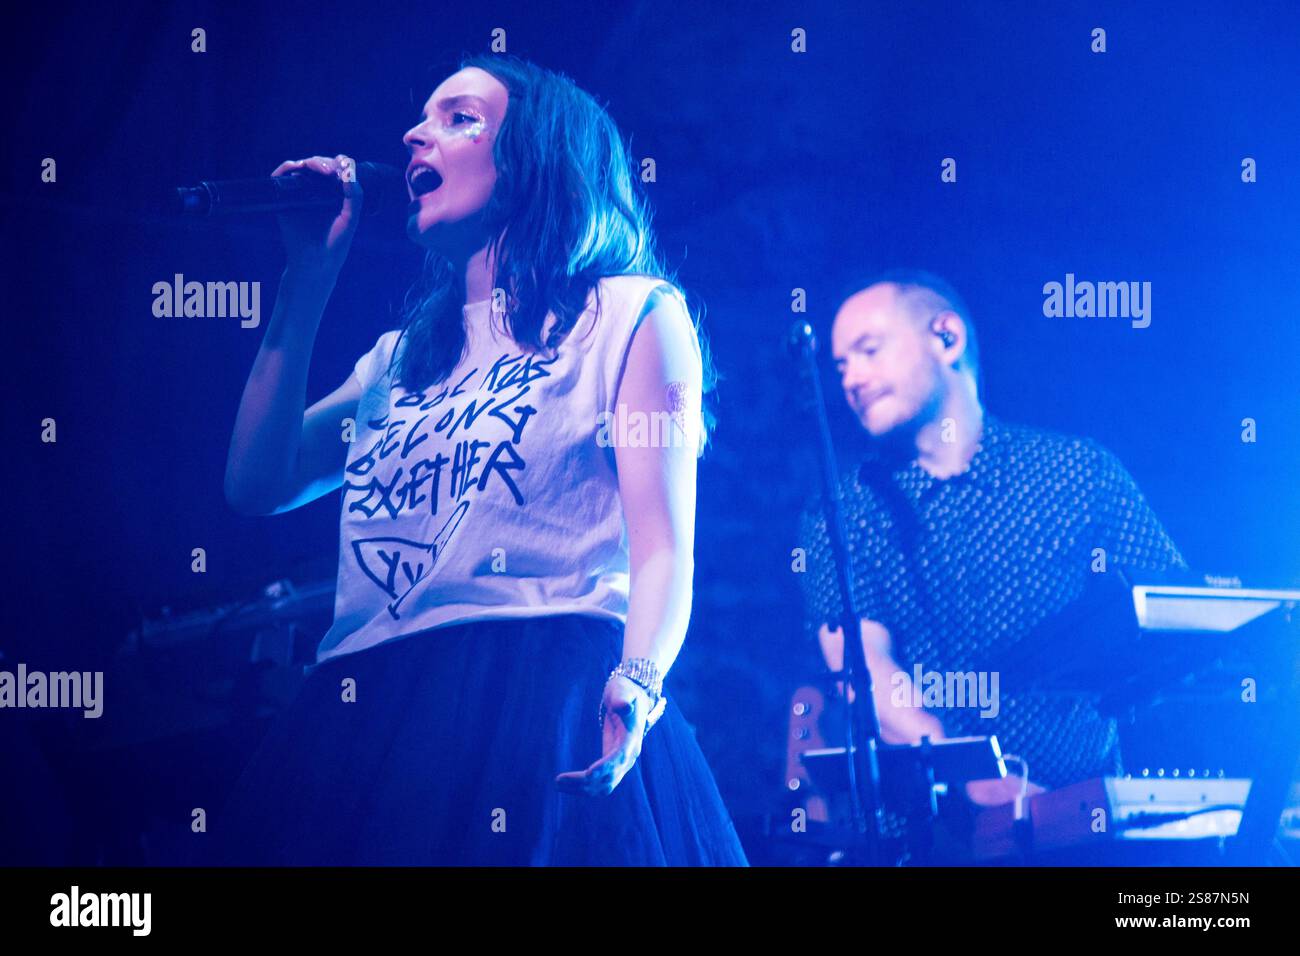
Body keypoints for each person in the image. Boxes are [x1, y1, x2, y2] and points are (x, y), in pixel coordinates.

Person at [212, 54, 747, 866]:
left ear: (540, 157)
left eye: (459, 117)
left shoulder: (630, 313)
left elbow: (663, 543)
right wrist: (306, 279)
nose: (415, 134)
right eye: (423, 117)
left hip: (539, 678)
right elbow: (258, 482)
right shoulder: (399, 360)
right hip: (368, 695)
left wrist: (638, 680)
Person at [796, 270, 1186, 844]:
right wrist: (980, 778)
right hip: (930, 838)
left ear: (946, 337)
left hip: (1093, 829)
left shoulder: (1078, 472)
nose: (851, 378)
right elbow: (865, 672)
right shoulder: (842, 509)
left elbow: (1180, 626)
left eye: (868, 351)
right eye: (840, 366)